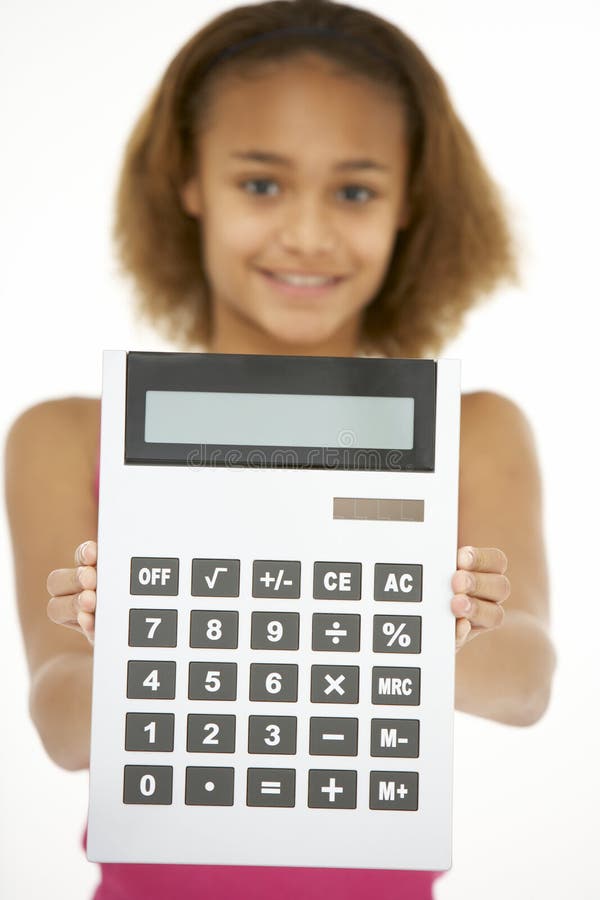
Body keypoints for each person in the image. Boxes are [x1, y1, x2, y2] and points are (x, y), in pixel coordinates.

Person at [4, 1, 557, 897]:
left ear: (410, 198)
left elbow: (524, 683)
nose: (307, 233)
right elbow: (65, 730)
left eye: (355, 189)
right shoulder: (65, 436)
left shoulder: (474, 428)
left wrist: (443, 620)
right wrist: (128, 640)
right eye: (261, 184)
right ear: (190, 180)